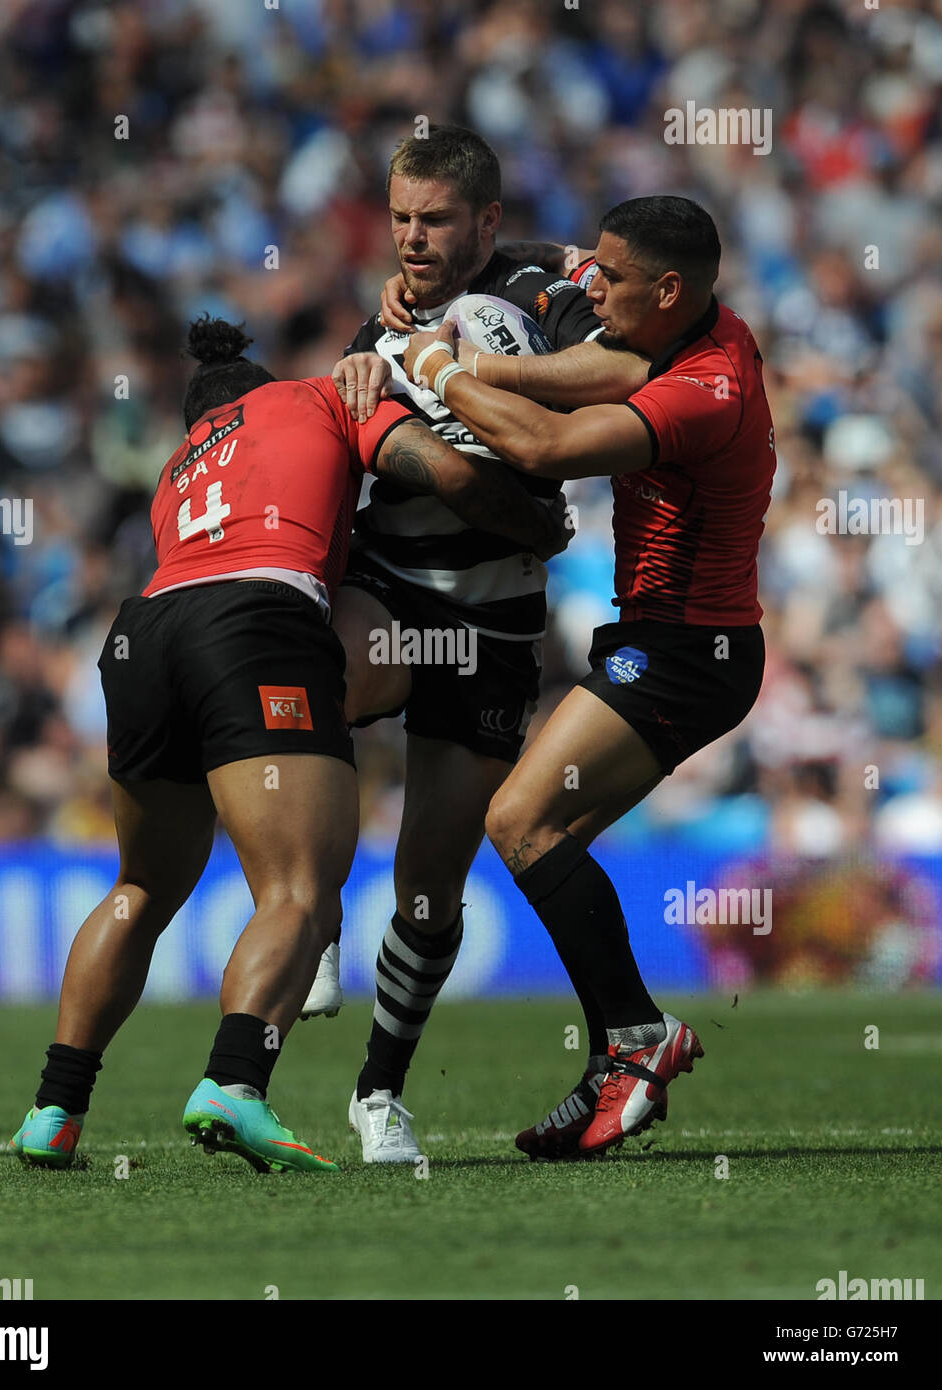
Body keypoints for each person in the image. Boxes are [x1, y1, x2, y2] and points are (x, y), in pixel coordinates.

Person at [8, 315, 565, 1174]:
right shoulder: (313, 397)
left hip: (142, 634)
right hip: (257, 621)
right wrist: (533, 525)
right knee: (299, 886)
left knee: (142, 885)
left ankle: (55, 1107)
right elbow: (446, 469)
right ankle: (234, 1082)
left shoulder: (179, 466)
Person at [402, 195, 776, 1158]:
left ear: (669, 290)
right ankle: (624, 1047)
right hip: (660, 640)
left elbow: (546, 447)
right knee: (541, 831)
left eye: (610, 279)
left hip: (691, 655)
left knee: (521, 820)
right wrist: (463, 272)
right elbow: (541, 258)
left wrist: (441, 363)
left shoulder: (709, 386)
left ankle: (634, 1042)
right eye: (595, 268)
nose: (590, 286)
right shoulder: (657, 308)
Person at [310, 124, 648, 1164]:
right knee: (312, 683)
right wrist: (363, 370)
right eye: (402, 218)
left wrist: (547, 272)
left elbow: (629, 361)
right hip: (391, 585)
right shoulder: (389, 312)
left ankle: (378, 1095)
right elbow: (369, 409)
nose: (412, 239)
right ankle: (312, 905)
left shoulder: (547, 302)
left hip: (495, 618)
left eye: (436, 220)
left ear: (486, 220)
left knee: (429, 885)